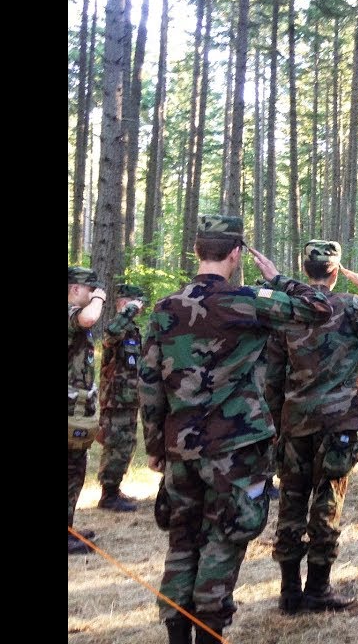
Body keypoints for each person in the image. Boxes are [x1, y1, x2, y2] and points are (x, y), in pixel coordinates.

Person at [139, 215, 334, 644]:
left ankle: (177, 634)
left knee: (182, 540)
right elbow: (320, 308)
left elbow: (150, 381)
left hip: (181, 448)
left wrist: (155, 444)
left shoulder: (166, 307)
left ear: (197, 250)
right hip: (235, 449)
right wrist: (278, 279)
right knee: (224, 540)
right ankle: (209, 631)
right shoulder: (249, 301)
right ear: (235, 254)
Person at [271, 240, 358, 615]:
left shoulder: (289, 309)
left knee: (291, 504)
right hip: (337, 423)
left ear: (305, 268)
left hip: (295, 421)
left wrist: (278, 421)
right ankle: (317, 588)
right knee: (327, 504)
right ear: (335, 271)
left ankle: (289, 591)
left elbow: (273, 376)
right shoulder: (351, 307)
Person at [97, 283, 147, 512]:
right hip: (115, 399)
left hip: (129, 398)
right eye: (138, 302)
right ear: (125, 303)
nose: (141, 307)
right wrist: (129, 309)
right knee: (115, 444)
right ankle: (108, 495)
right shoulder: (116, 327)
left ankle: (114, 489)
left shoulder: (132, 330)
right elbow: (111, 332)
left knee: (126, 444)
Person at [68, 266, 107, 555]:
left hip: (76, 411)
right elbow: (90, 317)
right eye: (89, 289)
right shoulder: (73, 314)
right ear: (74, 289)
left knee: (75, 470)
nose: (94, 294)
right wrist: (100, 298)